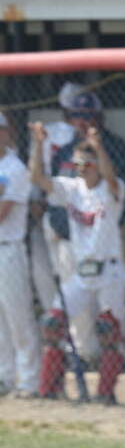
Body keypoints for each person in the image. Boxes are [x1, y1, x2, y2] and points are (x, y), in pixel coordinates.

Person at [28, 121, 125, 404]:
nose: (81, 168)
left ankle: (105, 393)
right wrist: (37, 144)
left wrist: (98, 148)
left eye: (87, 163)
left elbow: (110, 179)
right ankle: (50, 388)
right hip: (81, 273)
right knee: (52, 323)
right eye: (78, 164)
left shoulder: (113, 189)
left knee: (110, 329)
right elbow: (37, 178)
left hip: (109, 270)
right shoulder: (72, 189)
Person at [47, 89, 125, 360]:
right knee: (72, 314)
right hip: (72, 240)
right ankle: (83, 356)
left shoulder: (115, 149)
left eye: (87, 115)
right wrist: (60, 226)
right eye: (76, 116)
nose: (82, 121)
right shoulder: (67, 151)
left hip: (105, 238)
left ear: (99, 117)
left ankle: (112, 364)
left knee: (109, 320)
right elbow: (54, 194)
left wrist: (111, 221)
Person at [27, 81, 85, 314]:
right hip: (53, 200)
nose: (76, 117)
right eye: (73, 112)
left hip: (72, 202)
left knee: (71, 278)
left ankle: (69, 333)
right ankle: (59, 330)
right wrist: (36, 199)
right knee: (57, 274)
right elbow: (36, 167)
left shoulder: (85, 133)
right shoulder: (51, 131)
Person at [0, 112, 39, 398]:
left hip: (9, 249)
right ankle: (5, 376)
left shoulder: (15, 168)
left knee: (18, 316)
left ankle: (29, 380)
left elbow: (3, 212)